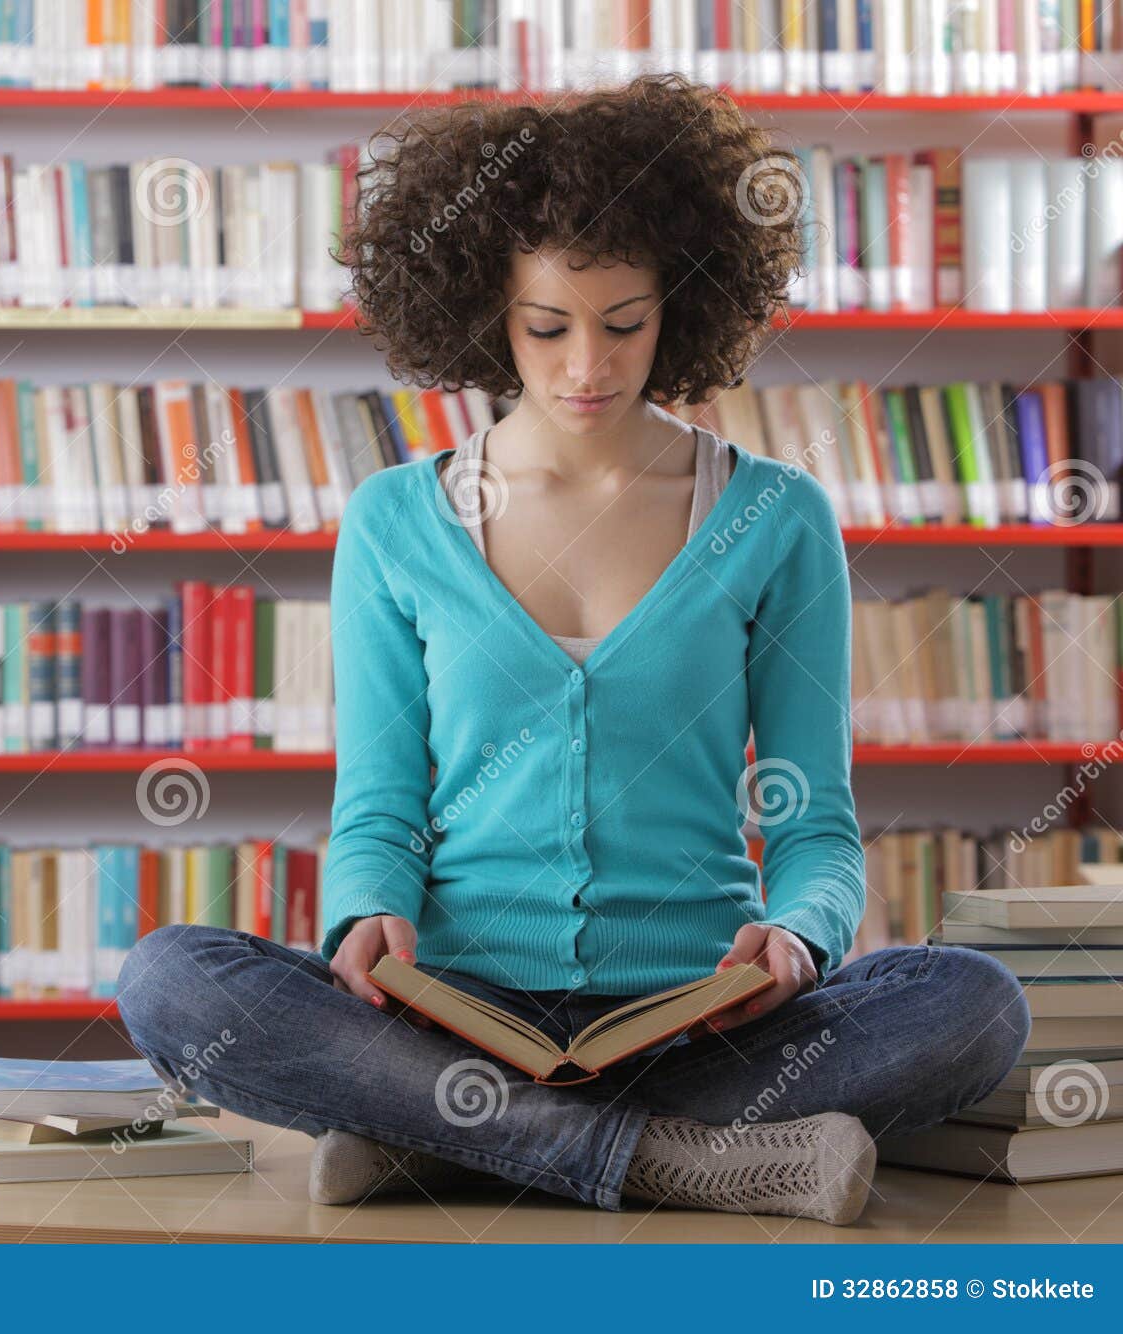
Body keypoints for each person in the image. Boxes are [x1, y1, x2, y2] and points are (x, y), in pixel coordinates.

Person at [116, 73, 1031, 1227]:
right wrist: (362, 918)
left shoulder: (776, 516)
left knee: (974, 1002)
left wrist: (798, 937)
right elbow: (380, 809)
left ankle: (444, 1142)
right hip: (449, 1015)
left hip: (692, 1024)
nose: (585, 365)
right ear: (486, 313)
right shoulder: (396, 522)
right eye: (546, 327)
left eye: (623, 323)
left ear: (682, 306)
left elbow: (814, 829)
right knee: (167, 977)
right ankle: (664, 1163)